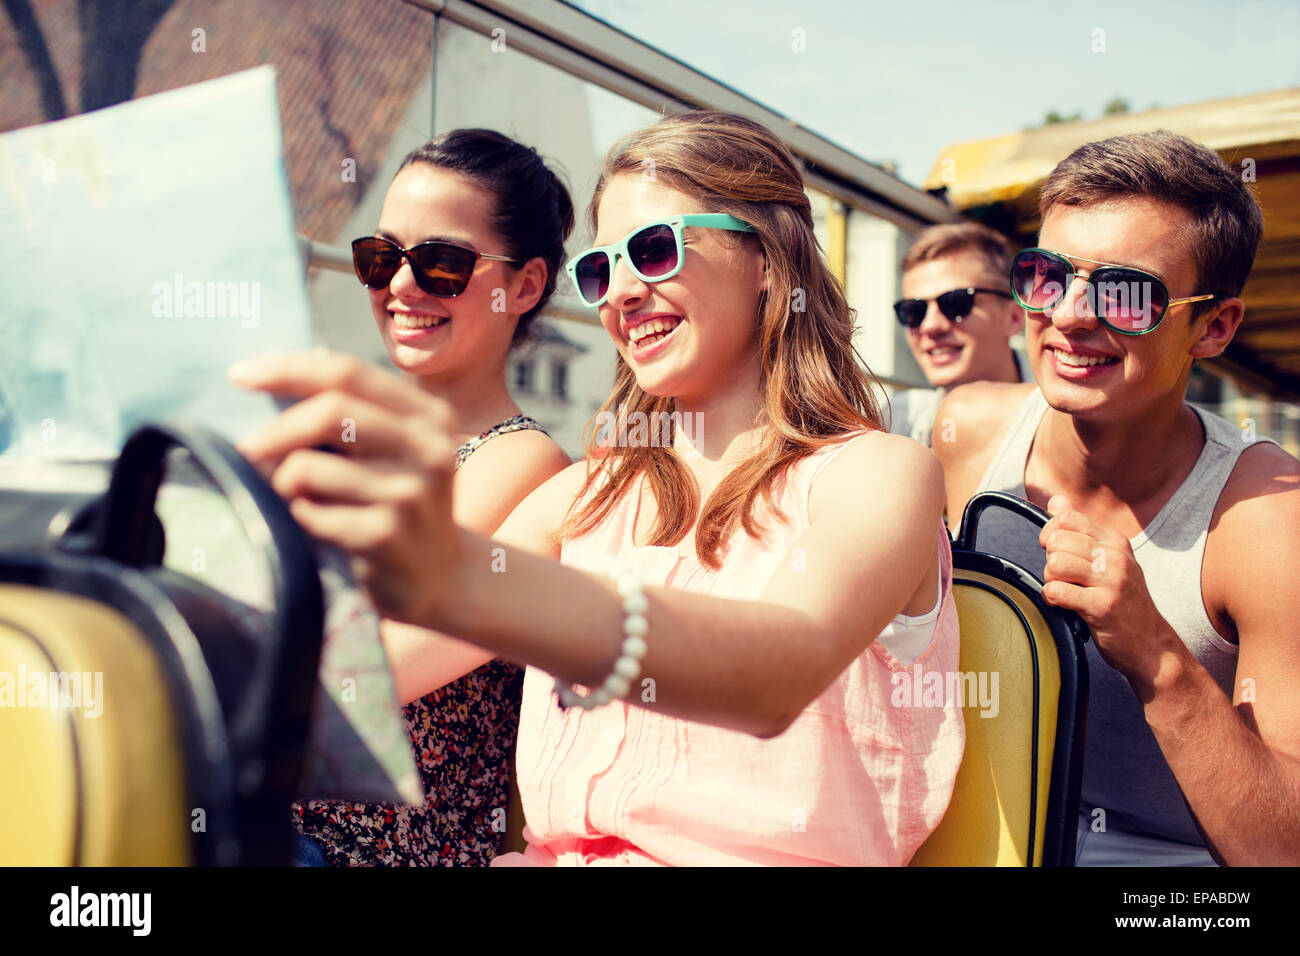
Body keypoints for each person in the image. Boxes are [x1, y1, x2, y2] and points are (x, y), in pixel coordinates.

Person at [230, 110, 964, 866]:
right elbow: (370, 673)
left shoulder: (883, 474)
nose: (620, 295)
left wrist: (450, 571)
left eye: (653, 251)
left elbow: (776, 674)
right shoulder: (587, 496)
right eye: (602, 271)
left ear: (767, 258)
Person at [932, 130, 1300, 865]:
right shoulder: (966, 434)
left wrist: (1157, 655)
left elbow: (1284, 849)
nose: (1068, 316)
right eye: (1045, 276)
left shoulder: (1266, 521)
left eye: (1126, 293)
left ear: (1215, 326)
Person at [291, 129, 574, 866]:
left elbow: (372, 675)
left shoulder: (524, 462)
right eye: (381, 257)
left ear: (527, 284)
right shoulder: (349, 438)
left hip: (376, 845)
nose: (401, 286)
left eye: (442, 263)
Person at [889, 222, 1033, 446]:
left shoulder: (1070, 421)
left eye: (955, 303)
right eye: (913, 311)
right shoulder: (892, 424)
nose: (930, 326)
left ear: (1014, 318)